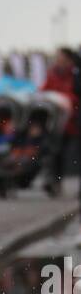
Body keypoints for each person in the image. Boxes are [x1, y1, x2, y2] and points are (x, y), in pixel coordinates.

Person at [41, 48, 80, 194]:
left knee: (72, 155)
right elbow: (44, 91)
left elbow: (76, 94)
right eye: (57, 58)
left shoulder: (75, 74)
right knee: (55, 154)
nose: (59, 61)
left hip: (73, 122)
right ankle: (55, 183)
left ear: (69, 60)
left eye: (61, 58)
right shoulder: (53, 74)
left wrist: (65, 99)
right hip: (56, 124)